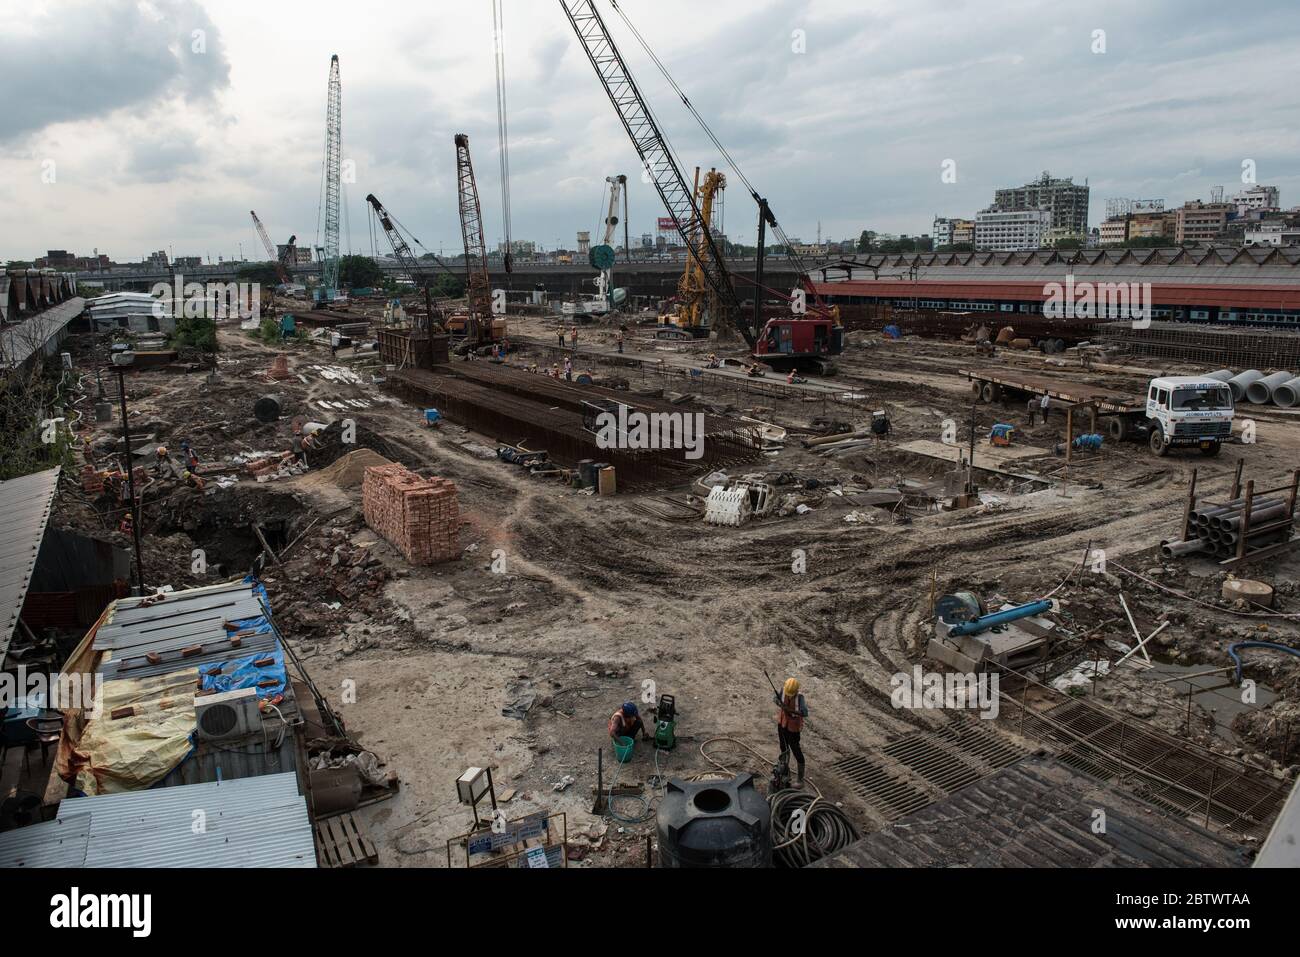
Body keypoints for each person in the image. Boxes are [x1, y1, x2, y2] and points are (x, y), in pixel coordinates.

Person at [775, 678, 809, 787]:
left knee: (795, 750)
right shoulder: (783, 690)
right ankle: (784, 770)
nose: (789, 696)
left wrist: (792, 711)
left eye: (791, 694)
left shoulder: (800, 697)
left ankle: (800, 780)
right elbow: (775, 699)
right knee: (783, 747)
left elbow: (804, 713)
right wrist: (780, 704)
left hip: (793, 728)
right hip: (782, 723)